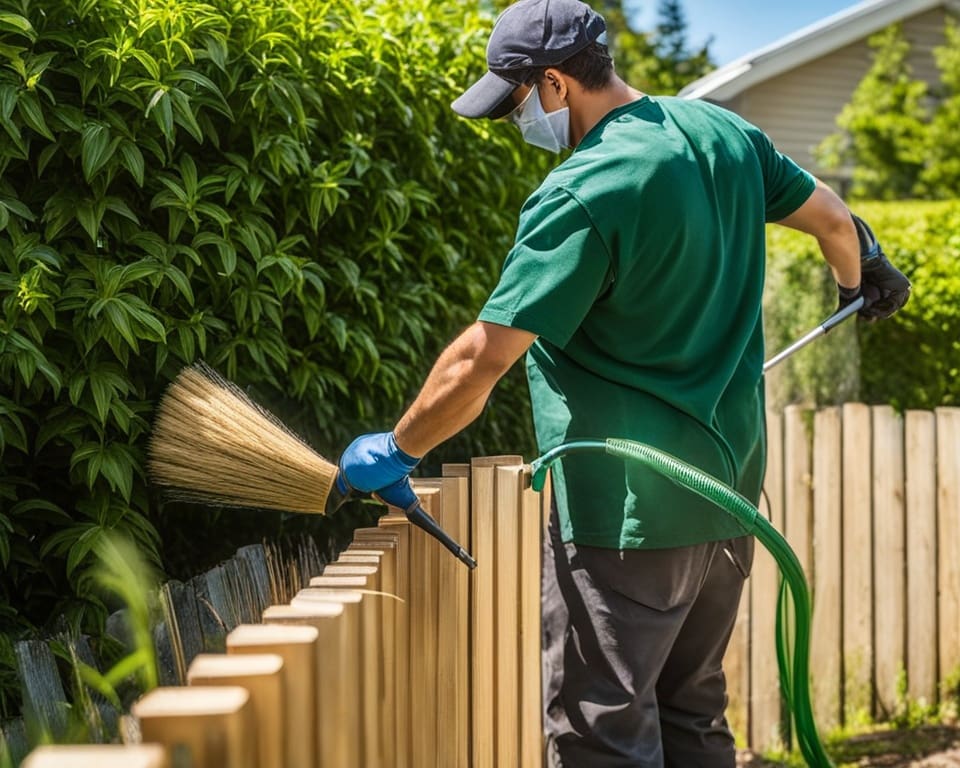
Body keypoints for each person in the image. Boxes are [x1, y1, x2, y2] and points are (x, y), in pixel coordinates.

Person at [337, 0, 912, 765]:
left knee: (602, 734)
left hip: (627, 517)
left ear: (553, 84)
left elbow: (484, 357)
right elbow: (837, 223)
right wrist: (858, 278)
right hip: (730, 499)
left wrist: (400, 446)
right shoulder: (725, 135)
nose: (517, 124)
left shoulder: (583, 191)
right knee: (694, 715)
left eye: (513, 105)